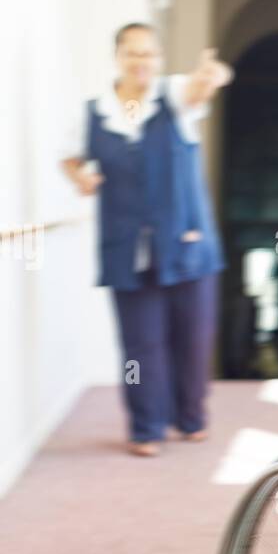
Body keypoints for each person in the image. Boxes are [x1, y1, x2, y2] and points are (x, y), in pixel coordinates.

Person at [60, 25, 231, 455]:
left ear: (158, 58)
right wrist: (81, 177)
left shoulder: (171, 96)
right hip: (126, 247)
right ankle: (145, 427)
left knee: (192, 338)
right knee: (140, 345)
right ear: (117, 57)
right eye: (132, 54)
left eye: (149, 54)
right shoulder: (94, 112)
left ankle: (191, 415)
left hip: (187, 242)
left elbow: (197, 90)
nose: (142, 62)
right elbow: (69, 156)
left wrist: (211, 76)